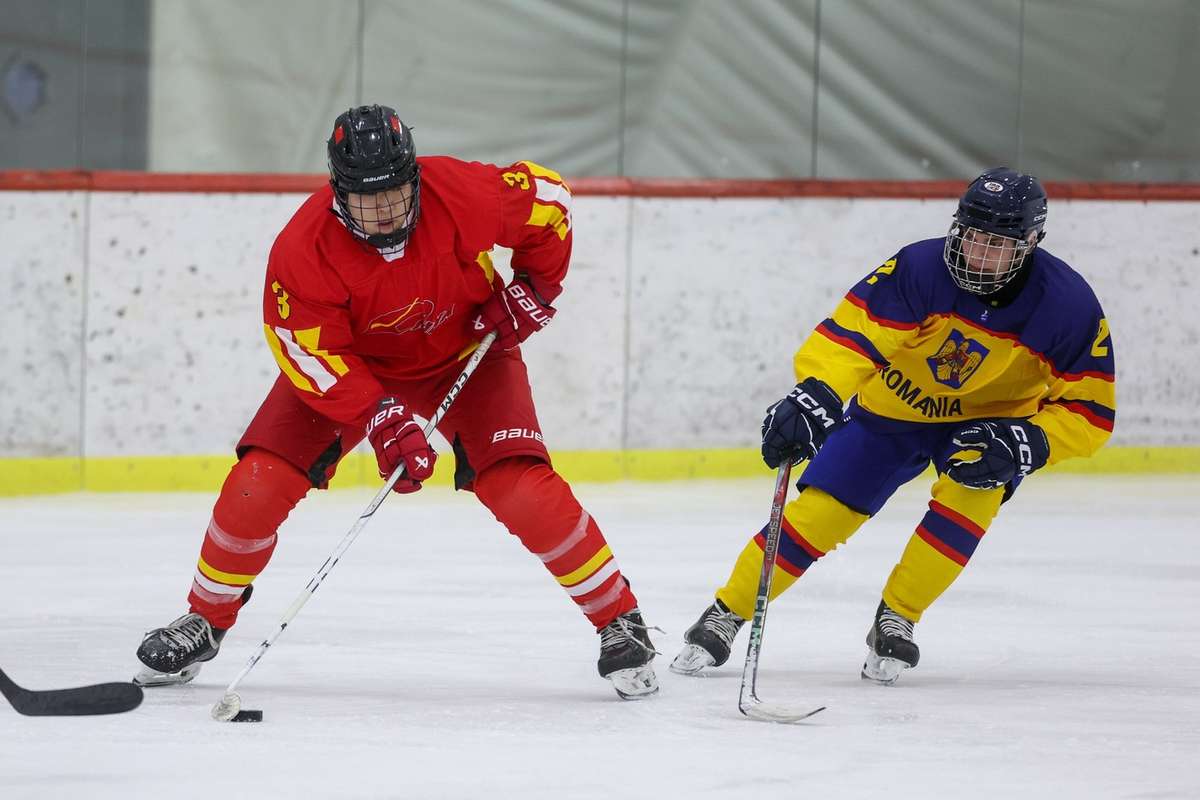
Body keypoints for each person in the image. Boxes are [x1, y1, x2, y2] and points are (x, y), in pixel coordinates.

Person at [134, 104, 658, 700]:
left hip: (467, 353)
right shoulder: (302, 249)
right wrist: (377, 415)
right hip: (356, 370)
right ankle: (206, 618)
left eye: (396, 193)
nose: (384, 211)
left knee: (523, 490)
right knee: (256, 483)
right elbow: (306, 352)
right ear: (339, 192)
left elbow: (551, 202)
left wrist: (536, 287)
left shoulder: (459, 190)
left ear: (414, 175)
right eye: (366, 199)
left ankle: (620, 620)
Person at [671, 167, 1116, 684]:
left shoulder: (1069, 306)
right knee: (820, 516)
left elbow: (1090, 410)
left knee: (967, 504)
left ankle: (898, 617)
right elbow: (852, 340)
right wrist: (818, 392)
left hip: (989, 426)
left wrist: (1034, 440)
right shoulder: (919, 267)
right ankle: (727, 612)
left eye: (997, 244)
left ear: (1032, 242)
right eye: (972, 237)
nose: (978, 254)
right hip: (893, 411)